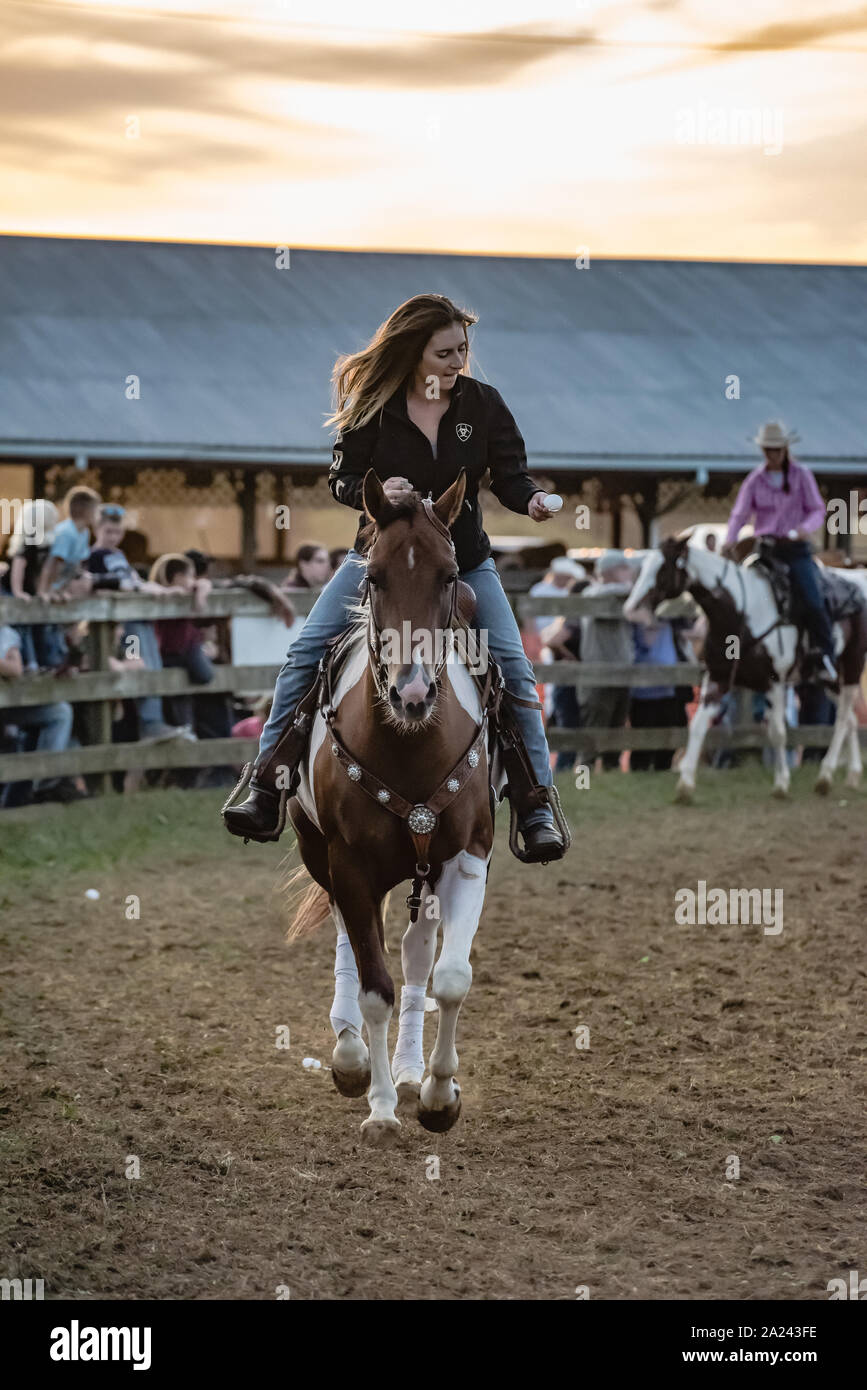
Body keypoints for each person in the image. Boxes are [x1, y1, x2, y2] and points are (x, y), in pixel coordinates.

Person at [224, 292, 567, 861]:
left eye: (462, 349)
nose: (458, 361)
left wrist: (531, 501)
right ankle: (265, 782)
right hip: (377, 560)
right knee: (305, 651)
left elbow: (510, 475)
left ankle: (536, 804)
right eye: (445, 352)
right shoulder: (374, 404)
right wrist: (383, 493)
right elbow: (342, 478)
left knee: (514, 666)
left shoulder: (483, 405)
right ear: (414, 353)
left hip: (463, 562)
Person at [723, 421, 834, 681]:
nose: (771, 455)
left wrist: (801, 530)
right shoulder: (755, 479)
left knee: (812, 599)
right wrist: (730, 539)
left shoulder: (801, 475)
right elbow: (740, 513)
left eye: (776, 450)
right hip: (765, 550)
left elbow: (817, 509)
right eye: (767, 450)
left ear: (784, 450)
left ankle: (823, 655)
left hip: (795, 550)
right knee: (743, 596)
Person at [86, 505, 195, 743]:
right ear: (97, 529)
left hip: (141, 618)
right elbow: (105, 585)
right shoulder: (93, 557)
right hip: (126, 624)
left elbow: (135, 581)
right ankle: (149, 723)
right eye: (108, 531)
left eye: (118, 532)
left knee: (154, 665)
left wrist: (158, 589)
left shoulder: (118, 555)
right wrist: (139, 588)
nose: (113, 537)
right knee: (141, 664)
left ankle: (155, 722)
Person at [0, 623, 84, 806]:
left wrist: (123, 664)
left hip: (19, 702)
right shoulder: (132, 635)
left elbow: (16, 668)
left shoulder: (128, 639)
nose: (122, 631)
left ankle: (47, 787)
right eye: (119, 628)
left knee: (61, 716)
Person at [574, 550, 635, 771]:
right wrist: (633, 587)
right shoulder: (593, 594)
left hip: (622, 672)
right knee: (594, 729)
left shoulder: (623, 598)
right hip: (597, 675)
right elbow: (608, 591)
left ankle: (611, 770)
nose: (629, 573)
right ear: (611, 571)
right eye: (624, 568)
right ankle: (585, 773)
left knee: (617, 727)